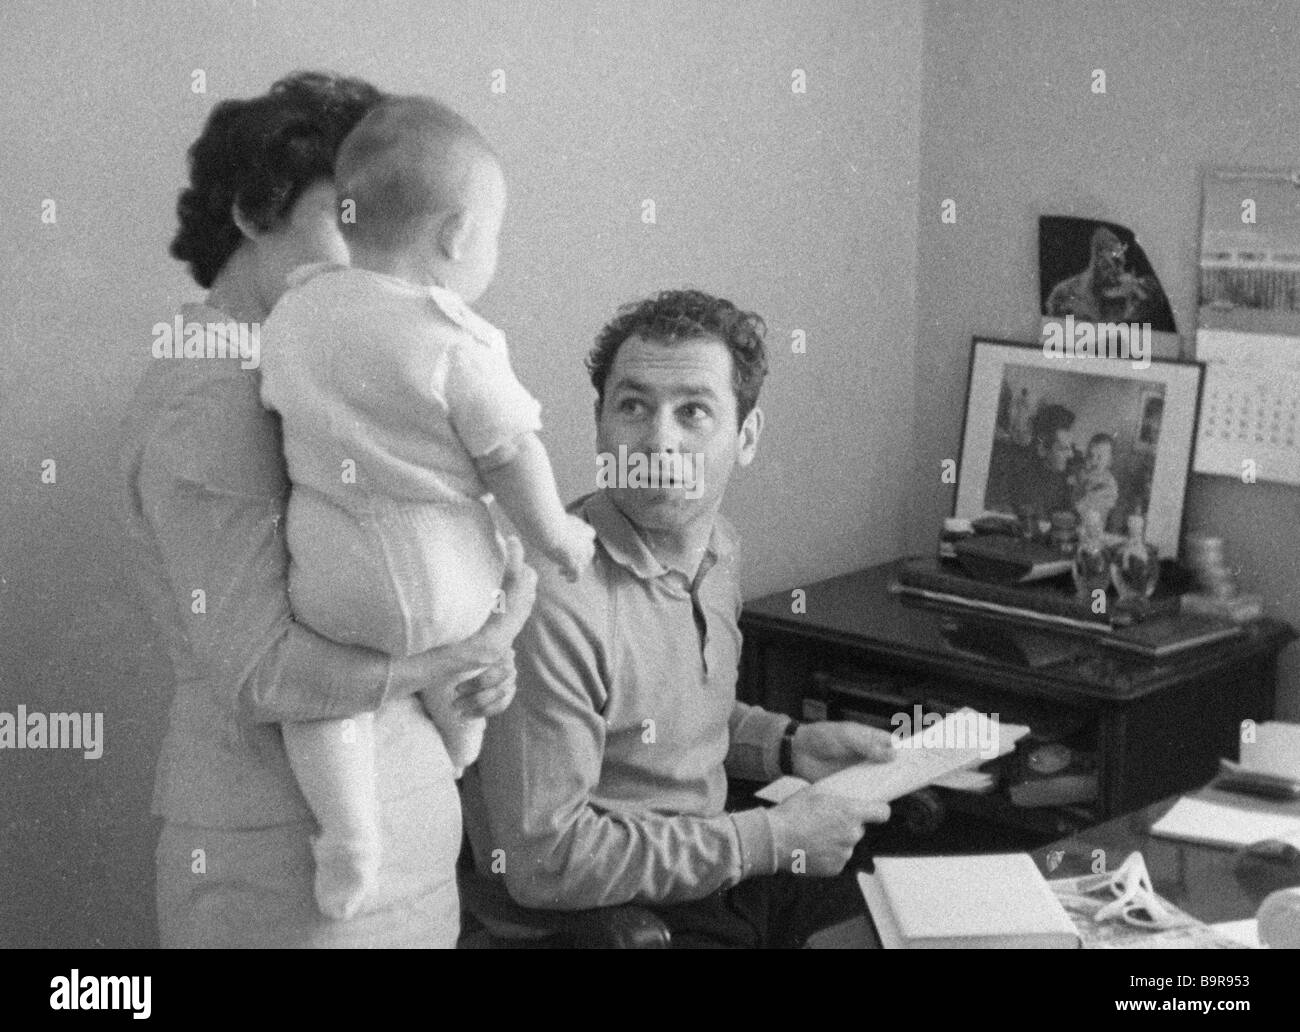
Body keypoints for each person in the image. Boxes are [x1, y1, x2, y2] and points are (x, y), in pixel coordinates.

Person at [119, 72, 536, 948]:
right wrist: (460, 649)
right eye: (344, 219)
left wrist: (470, 666)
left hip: (401, 855)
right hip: (287, 880)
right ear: (251, 211)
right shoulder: (209, 391)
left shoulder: (318, 373)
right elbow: (265, 670)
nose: (374, 258)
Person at [461, 289, 895, 949]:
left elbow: (654, 723)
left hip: (709, 863)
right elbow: (543, 861)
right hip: (602, 917)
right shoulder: (551, 595)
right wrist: (769, 839)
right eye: (633, 406)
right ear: (600, 423)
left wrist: (784, 744)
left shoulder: (718, 547)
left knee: (907, 910)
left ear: (745, 438)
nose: (658, 439)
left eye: (693, 410)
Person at [258, 95, 595, 920]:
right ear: (454, 236)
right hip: (446, 578)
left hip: (336, 583)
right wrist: (555, 534)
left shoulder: (297, 310)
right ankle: (460, 741)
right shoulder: (456, 337)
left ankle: (348, 836)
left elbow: (277, 410)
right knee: (474, 639)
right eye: (494, 233)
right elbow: (512, 450)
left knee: (327, 706)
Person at [1070, 432, 1119, 528]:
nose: (1094, 461)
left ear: (1110, 461)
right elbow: (1074, 492)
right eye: (1091, 455)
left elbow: (1107, 500)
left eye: (1099, 457)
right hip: (1077, 520)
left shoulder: (1109, 481)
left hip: (1095, 523)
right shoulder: (1084, 474)